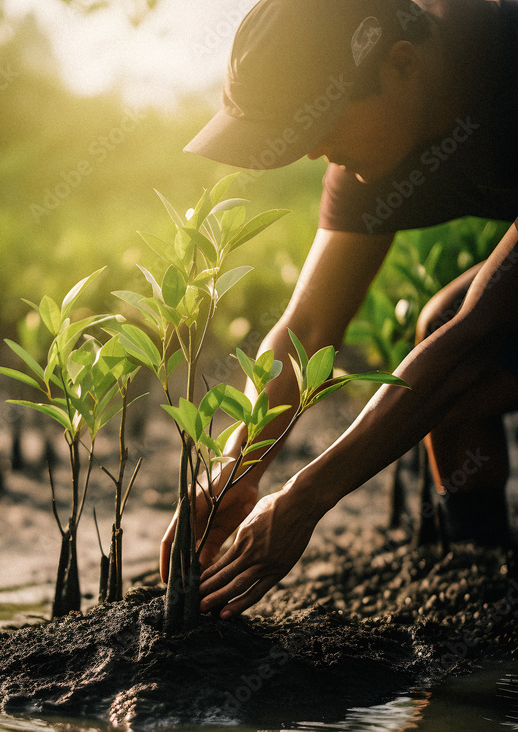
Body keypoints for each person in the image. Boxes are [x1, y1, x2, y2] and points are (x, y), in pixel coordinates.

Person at [159, 0, 518, 619]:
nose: (313, 152)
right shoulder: (377, 141)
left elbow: (479, 338)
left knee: (456, 347)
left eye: (322, 125)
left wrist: (306, 498)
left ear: (401, 67)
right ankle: (489, 589)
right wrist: (233, 470)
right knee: (439, 333)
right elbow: (308, 326)